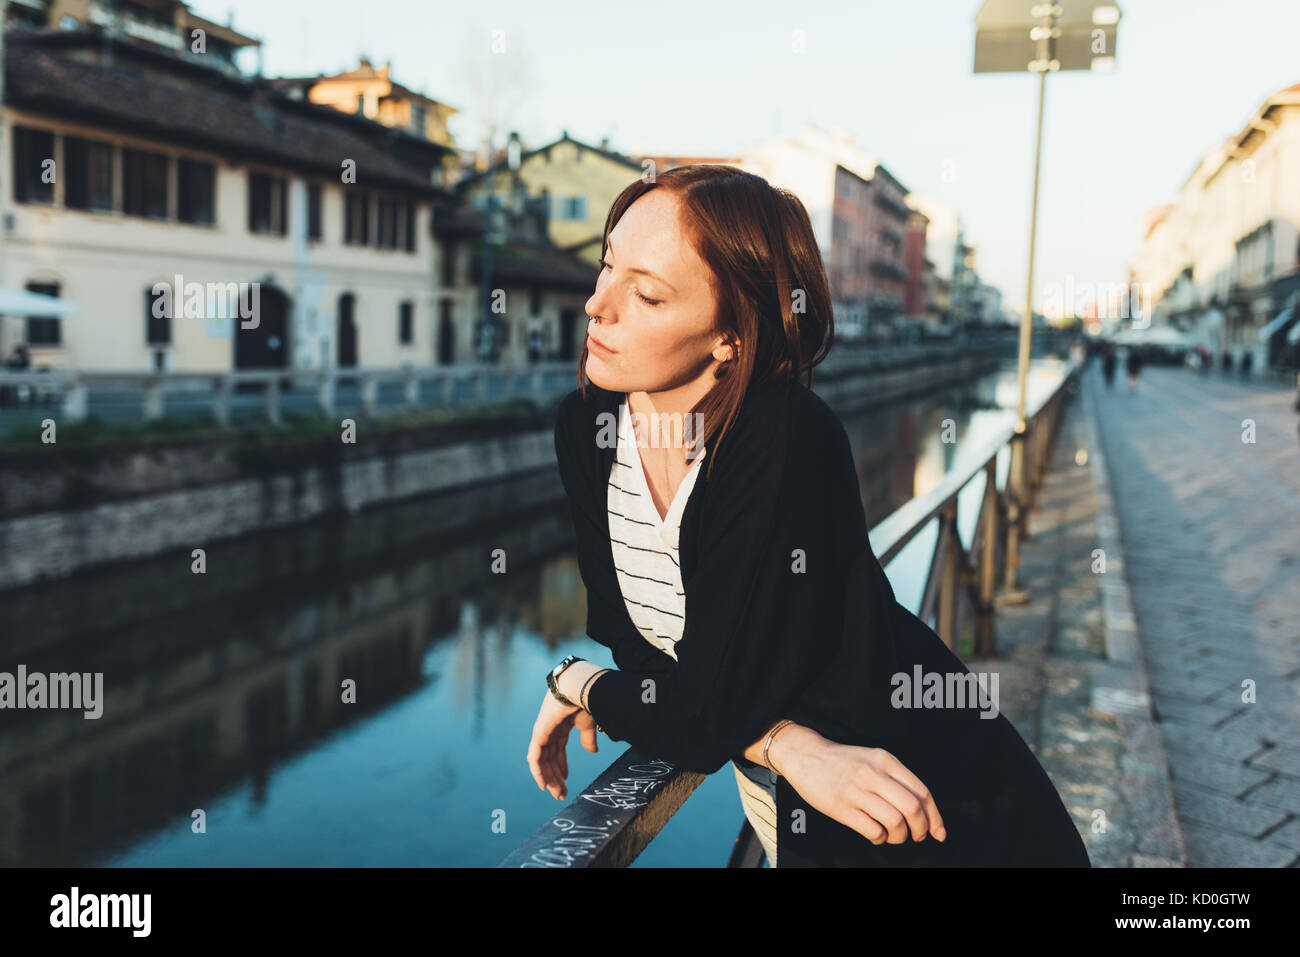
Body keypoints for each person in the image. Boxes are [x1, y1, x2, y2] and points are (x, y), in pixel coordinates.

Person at [528, 165, 1090, 867]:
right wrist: (785, 745)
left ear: (730, 333)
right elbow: (638, 647)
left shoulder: (781, 435)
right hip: (806, 786)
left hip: (917, 800)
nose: (598, 305)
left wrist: (578, 684)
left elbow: (701, 716)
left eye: (646, 293)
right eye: (607, 265)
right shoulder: (589, 426)